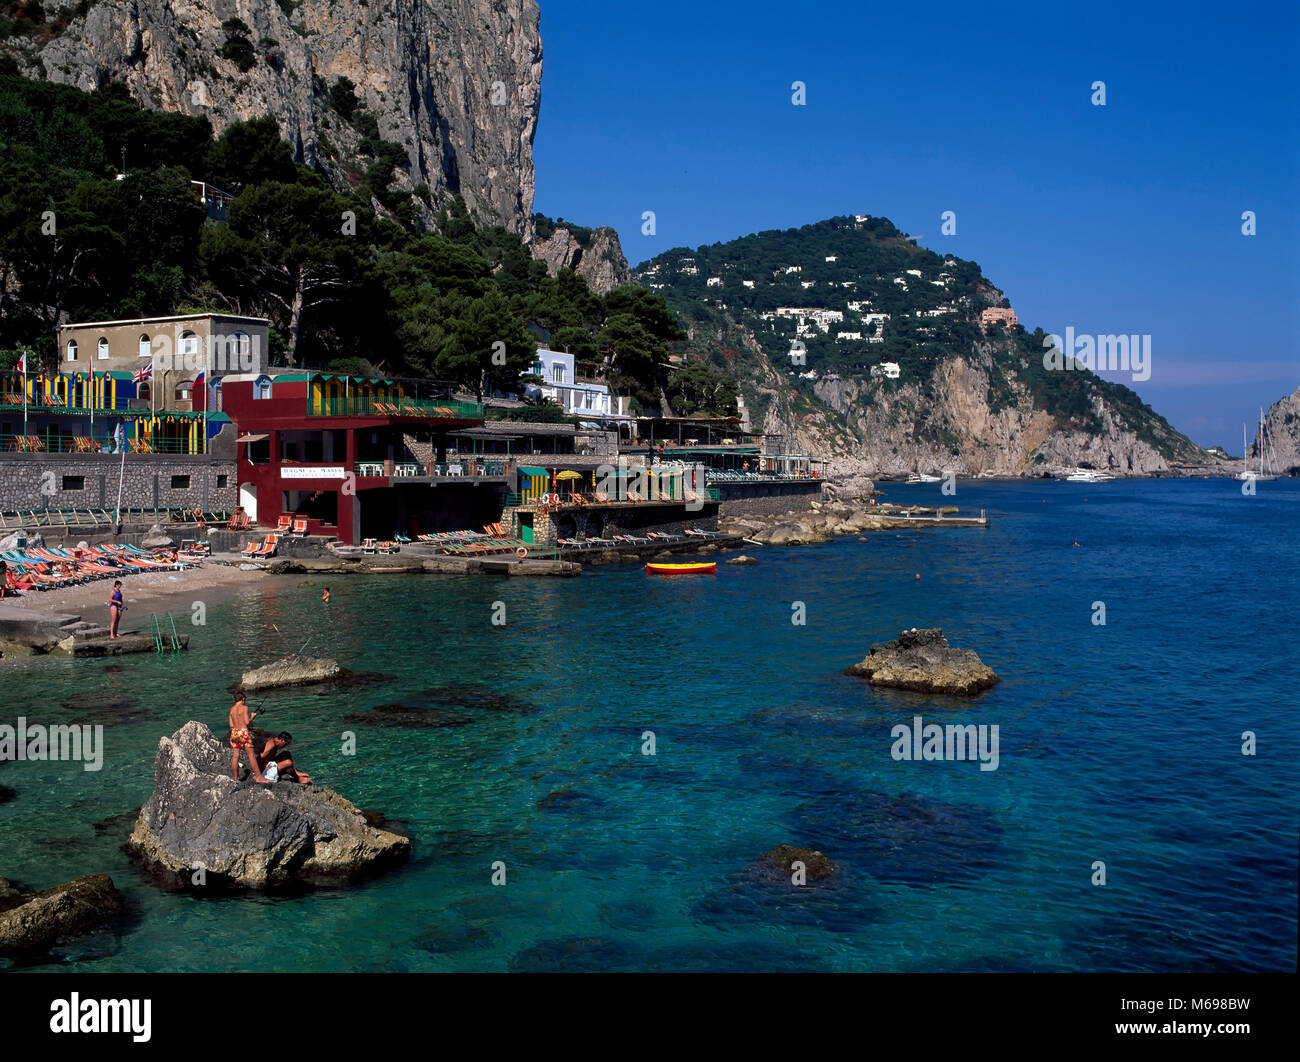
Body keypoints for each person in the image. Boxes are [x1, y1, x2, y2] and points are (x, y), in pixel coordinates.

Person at [228, 690, 272, 784]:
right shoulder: (244, 708)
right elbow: (247, 722)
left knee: (235, 756)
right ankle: (258, 777)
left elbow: (231, 724)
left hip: (234, 733)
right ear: (243, 699)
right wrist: (252, 717)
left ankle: (236, 778)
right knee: (251, 755)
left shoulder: (232, 709)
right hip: (243, 733)